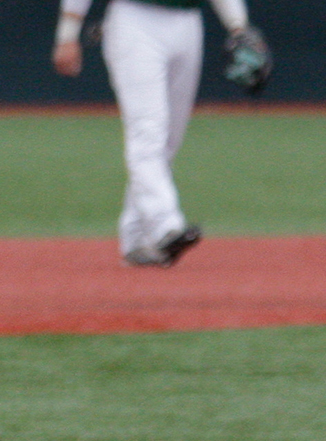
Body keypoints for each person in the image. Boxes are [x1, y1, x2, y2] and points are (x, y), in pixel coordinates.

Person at [52, 0, 256, 265]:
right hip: (135, 19)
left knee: (170, 138)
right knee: (147, 132)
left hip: (187, 22)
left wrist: (239, 27)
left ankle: (137, 239)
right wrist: (67, 34)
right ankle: (166, 226)